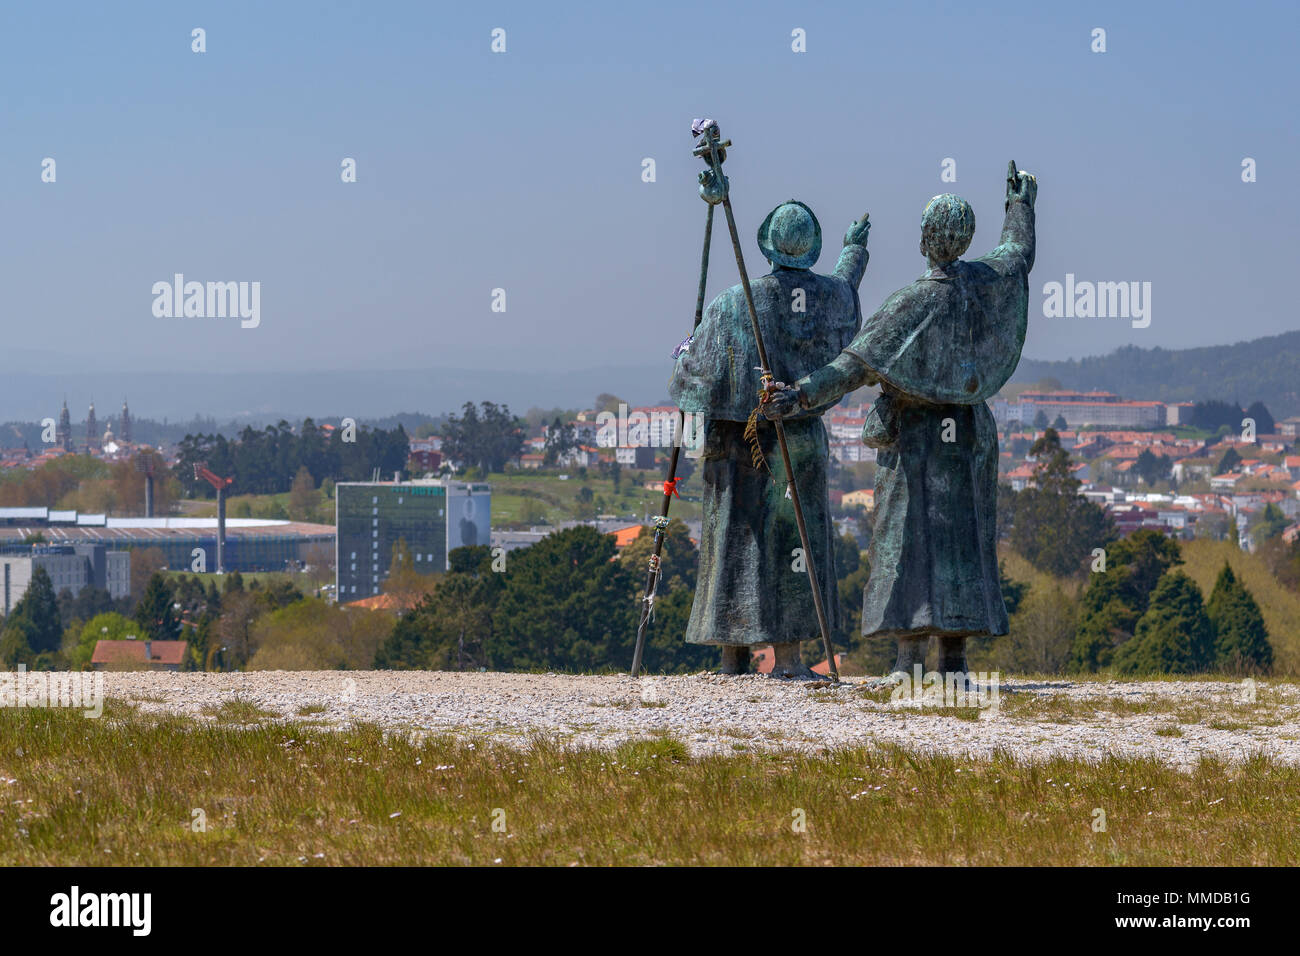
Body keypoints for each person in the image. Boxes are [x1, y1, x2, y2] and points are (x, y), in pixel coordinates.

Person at [763, 164, 1038, 681]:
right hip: (969, 437)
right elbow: (1017, 255)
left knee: (910, 542)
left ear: (924, 241)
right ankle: (952, 661)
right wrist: (1020, 206)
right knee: (961, 542)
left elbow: (851, 368)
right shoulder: (985, 283)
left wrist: (798, 394)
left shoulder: (911, 304)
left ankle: (909, 660)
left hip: (916, 441)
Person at [670, 200, 870, 676]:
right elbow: (845, 289)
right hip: (797, 441)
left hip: (737, 443)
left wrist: (685, 349)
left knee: (737, 539)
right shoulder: (830, 298)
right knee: (793, 546)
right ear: (812, 249)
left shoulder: (731, 303)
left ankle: (732, 656)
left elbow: (690, 380)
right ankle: (790, 658)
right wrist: (856, 250)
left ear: (767, 247)